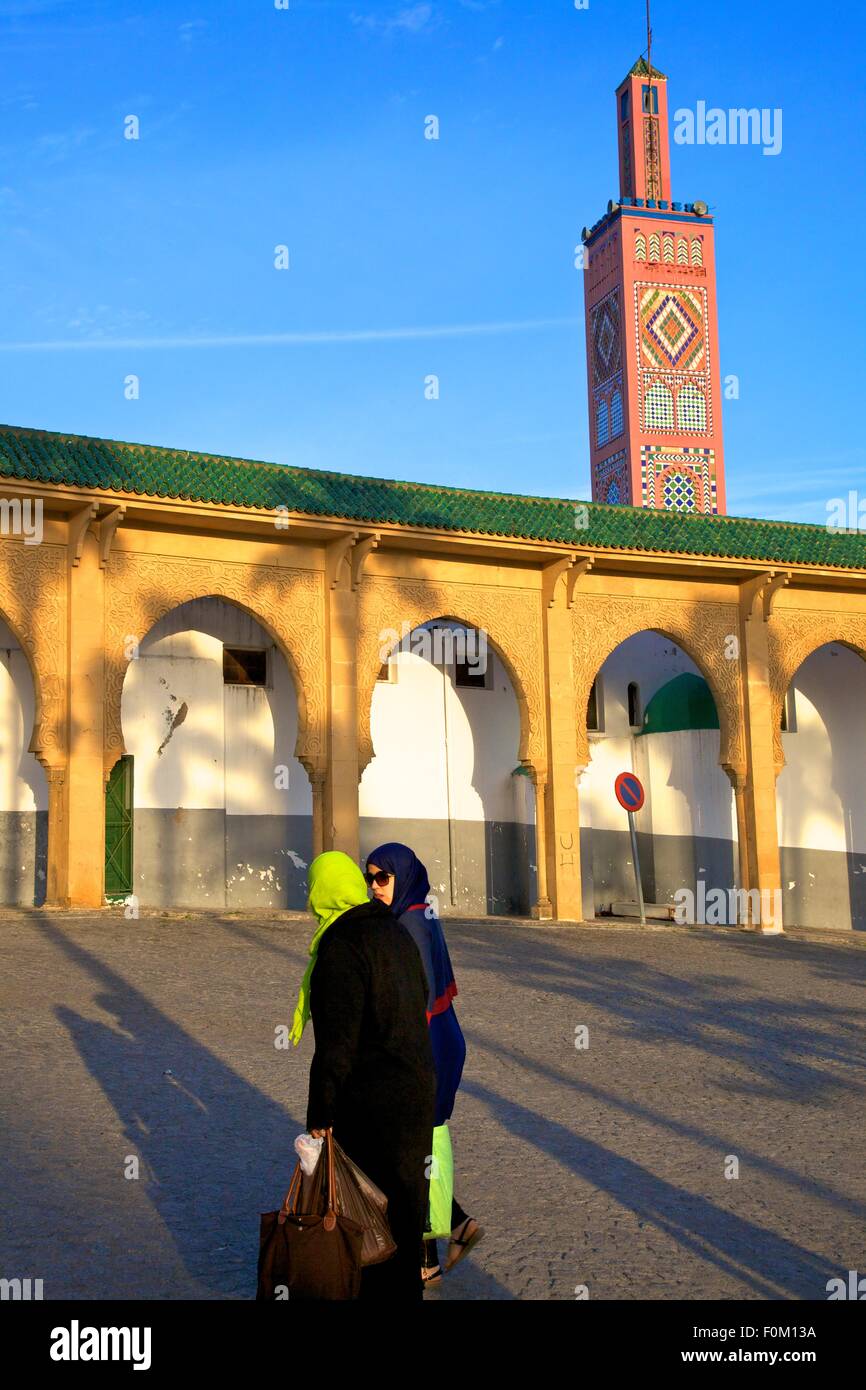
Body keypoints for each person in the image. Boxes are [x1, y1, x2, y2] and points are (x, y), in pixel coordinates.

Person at [290, 850, 436, 1301]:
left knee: (364, 1212)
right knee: (404, 1210)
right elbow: (421, 998)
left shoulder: (341, 946)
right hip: (415, 1091)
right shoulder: (394, 931)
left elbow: (337, 1046)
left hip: (371, 1102)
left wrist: (321, 1113)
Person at [364, 841, 484, 1285]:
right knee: (419, 1147)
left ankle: (426, 1259)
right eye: (369, 878)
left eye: (382, 878)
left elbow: (417, 999)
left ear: (403, 876)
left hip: (427, 1045)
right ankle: (457, 1226)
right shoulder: (418, 910)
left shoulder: (411, 922)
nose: (374, 887)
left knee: (414, 1151)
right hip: (440, 1040)